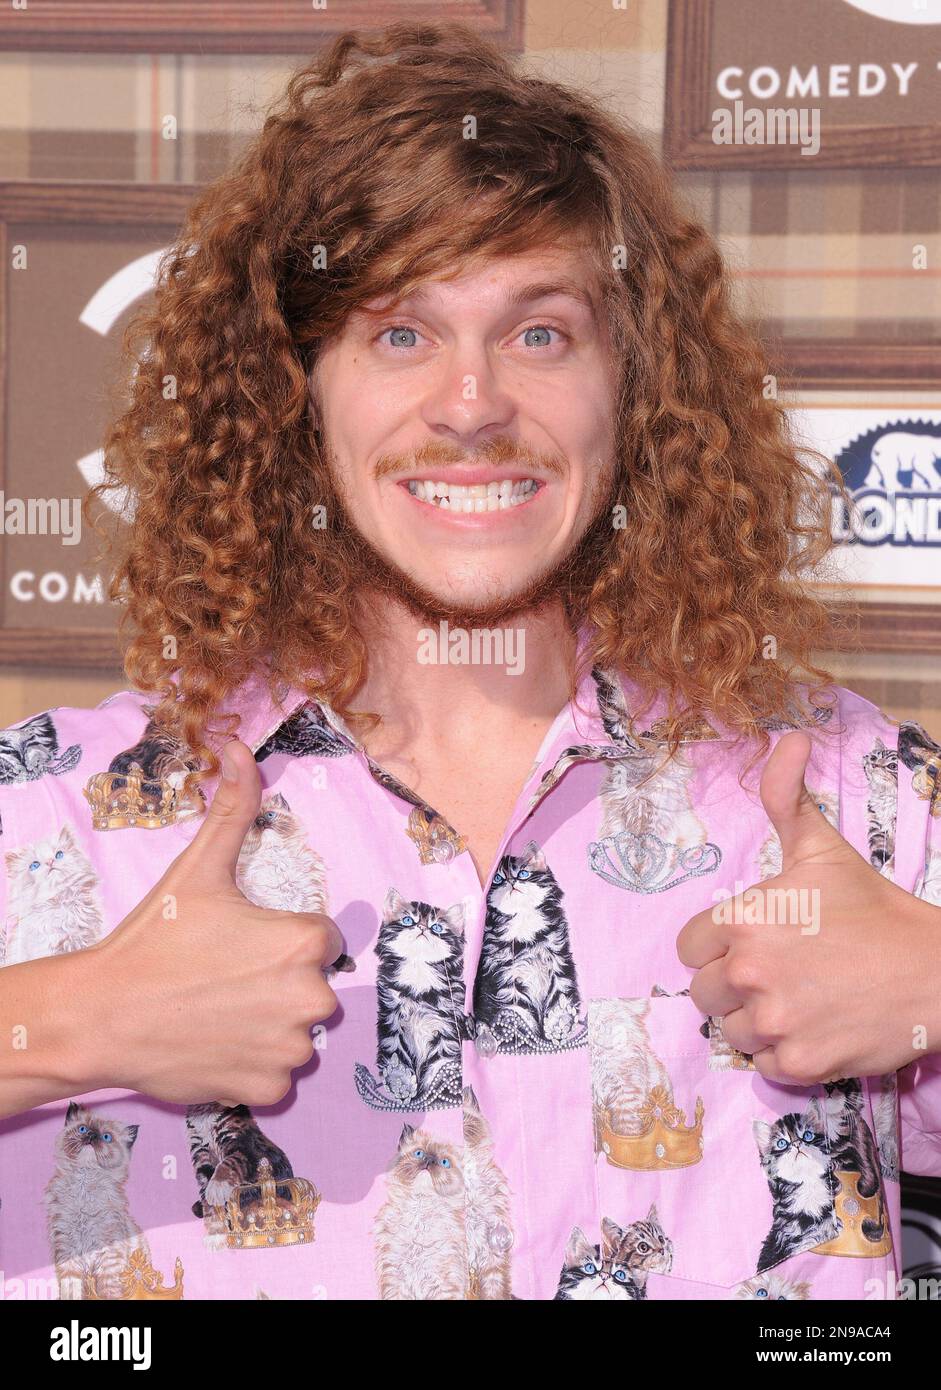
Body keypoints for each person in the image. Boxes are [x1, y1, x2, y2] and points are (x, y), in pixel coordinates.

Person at [1, 21, 939, 1302]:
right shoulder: (57, 813)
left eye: (539, 334)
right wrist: (63, 1027)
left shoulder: (847, 797)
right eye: (398, 334)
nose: (470, 402)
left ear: (633, 387)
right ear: (298, 399)